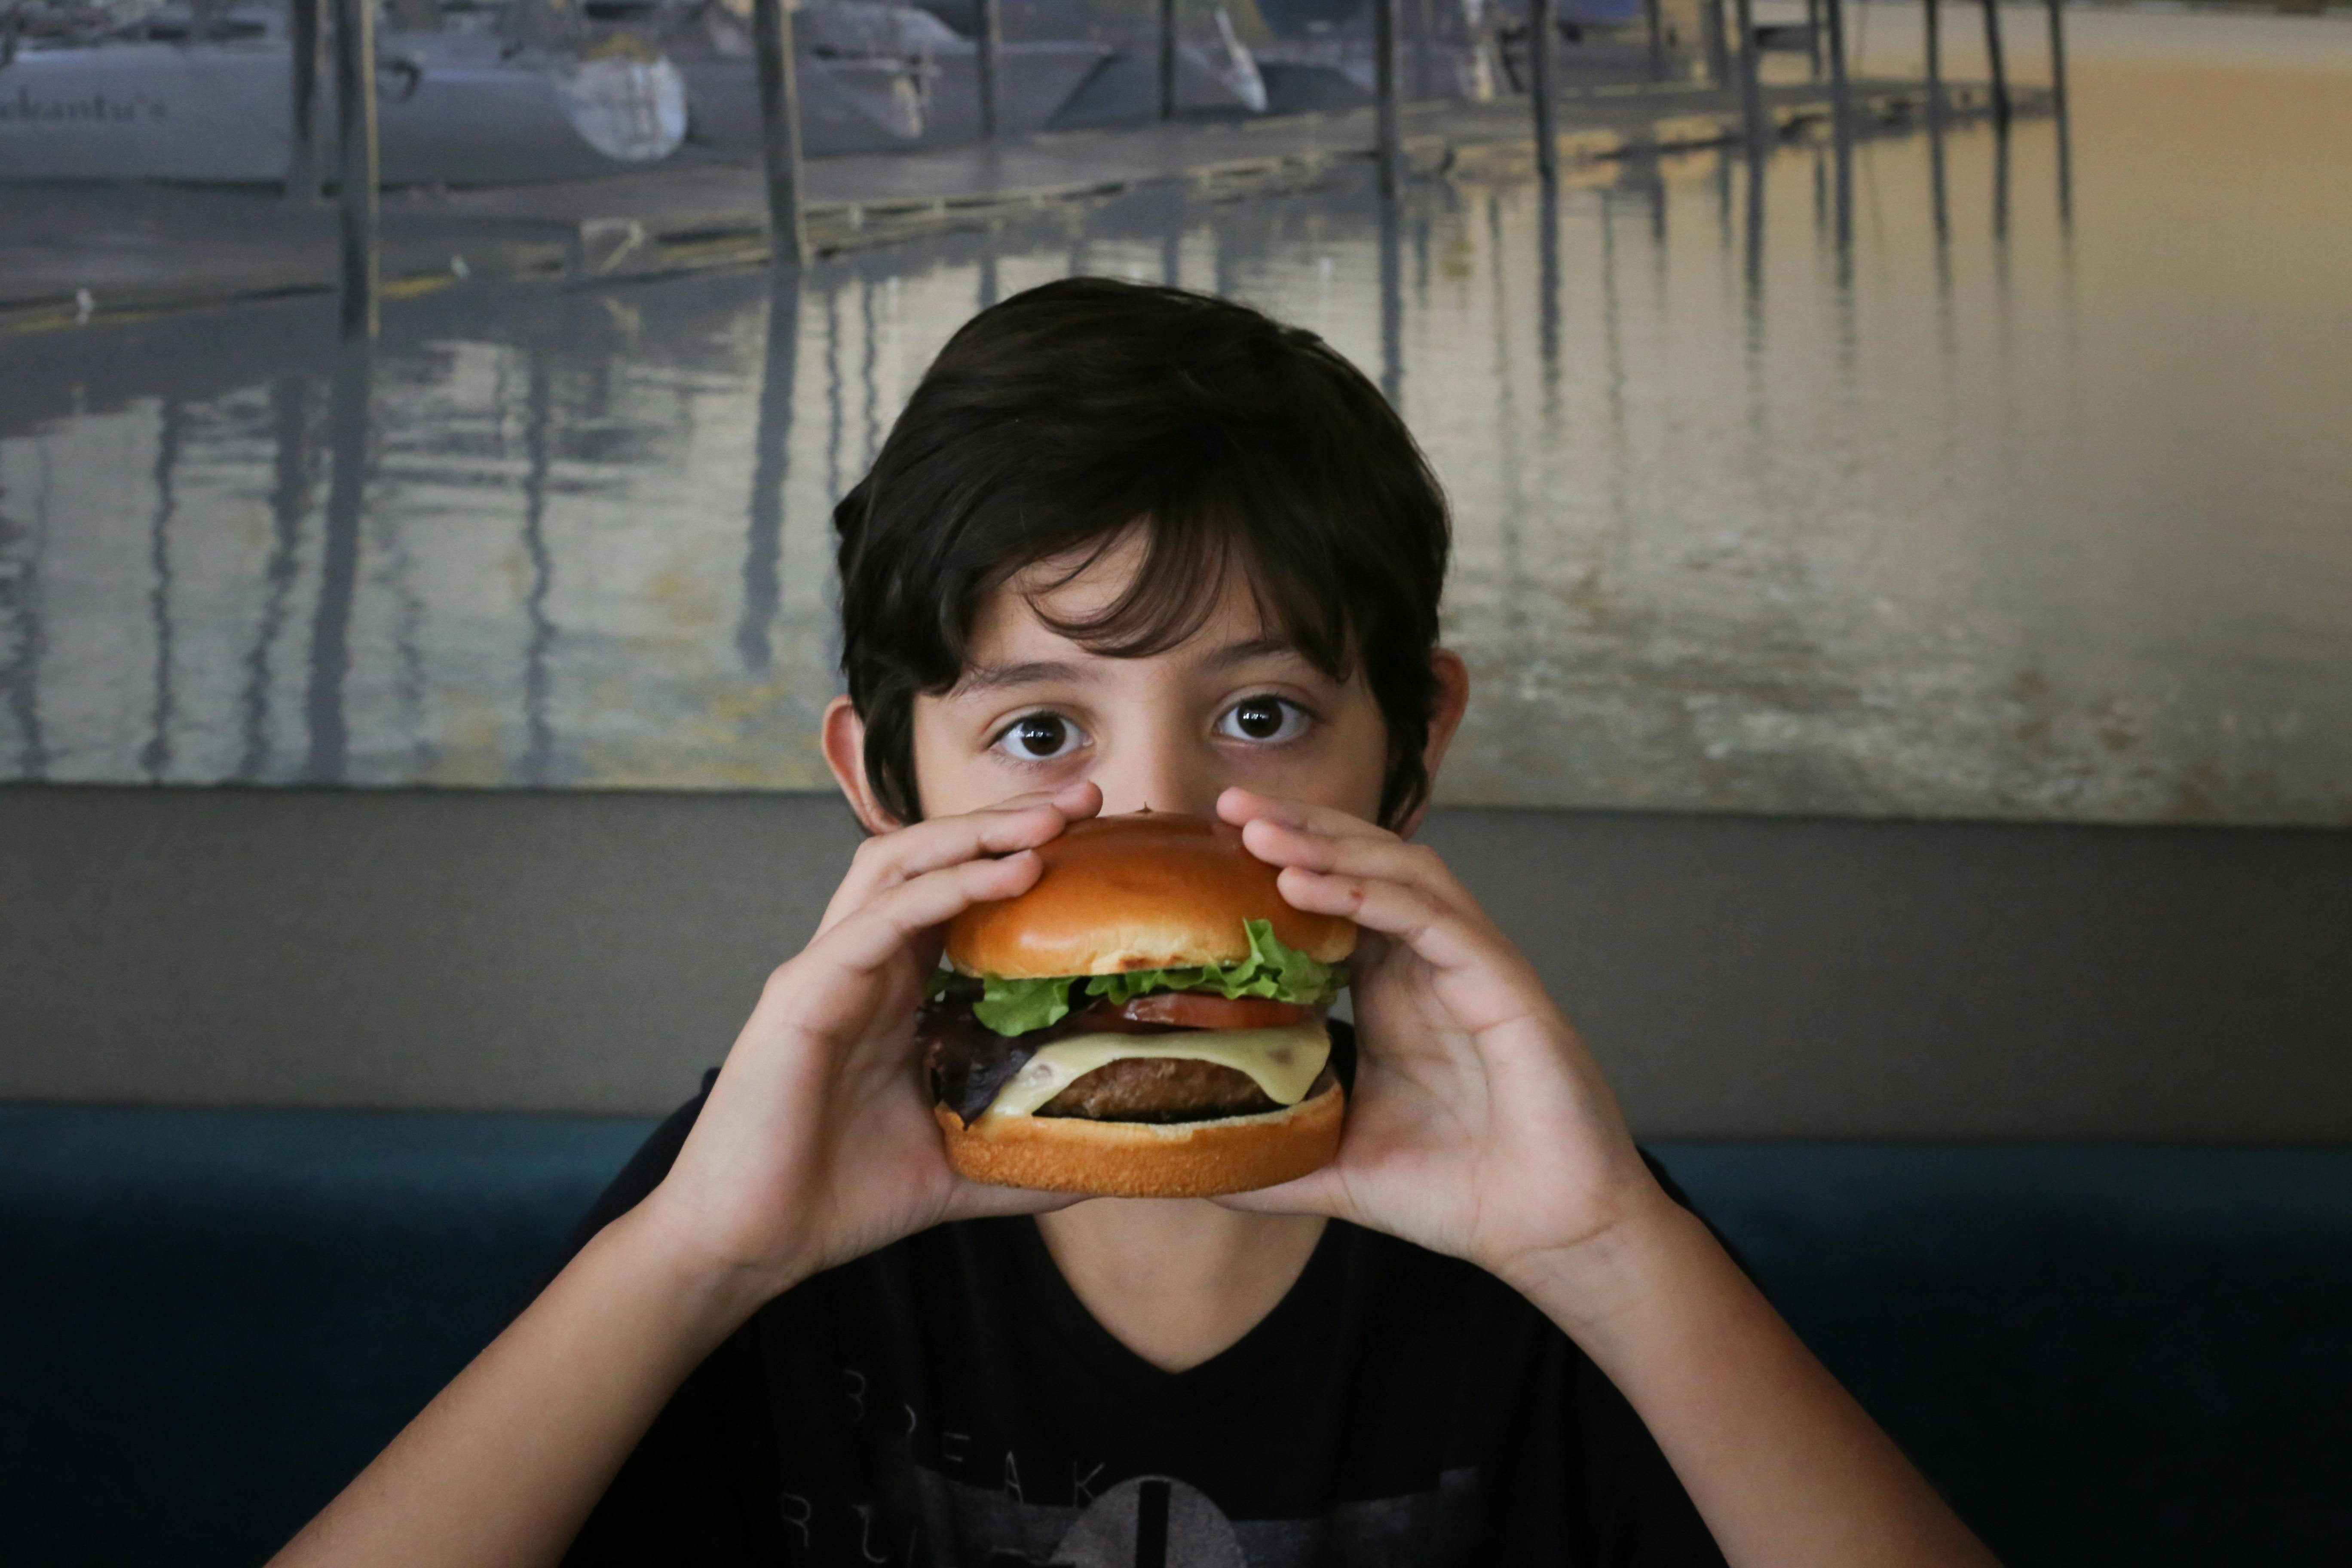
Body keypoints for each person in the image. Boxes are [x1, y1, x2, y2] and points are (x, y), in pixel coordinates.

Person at [271, 279, 1997, 1568]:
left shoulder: (1552, 1212)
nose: (1153, 813)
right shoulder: (758, 1190)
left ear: (1415, 748)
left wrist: (1612, 1261)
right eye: (1039, 732)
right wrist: (698, 1262)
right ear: (888, 784)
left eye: (1261, 715)